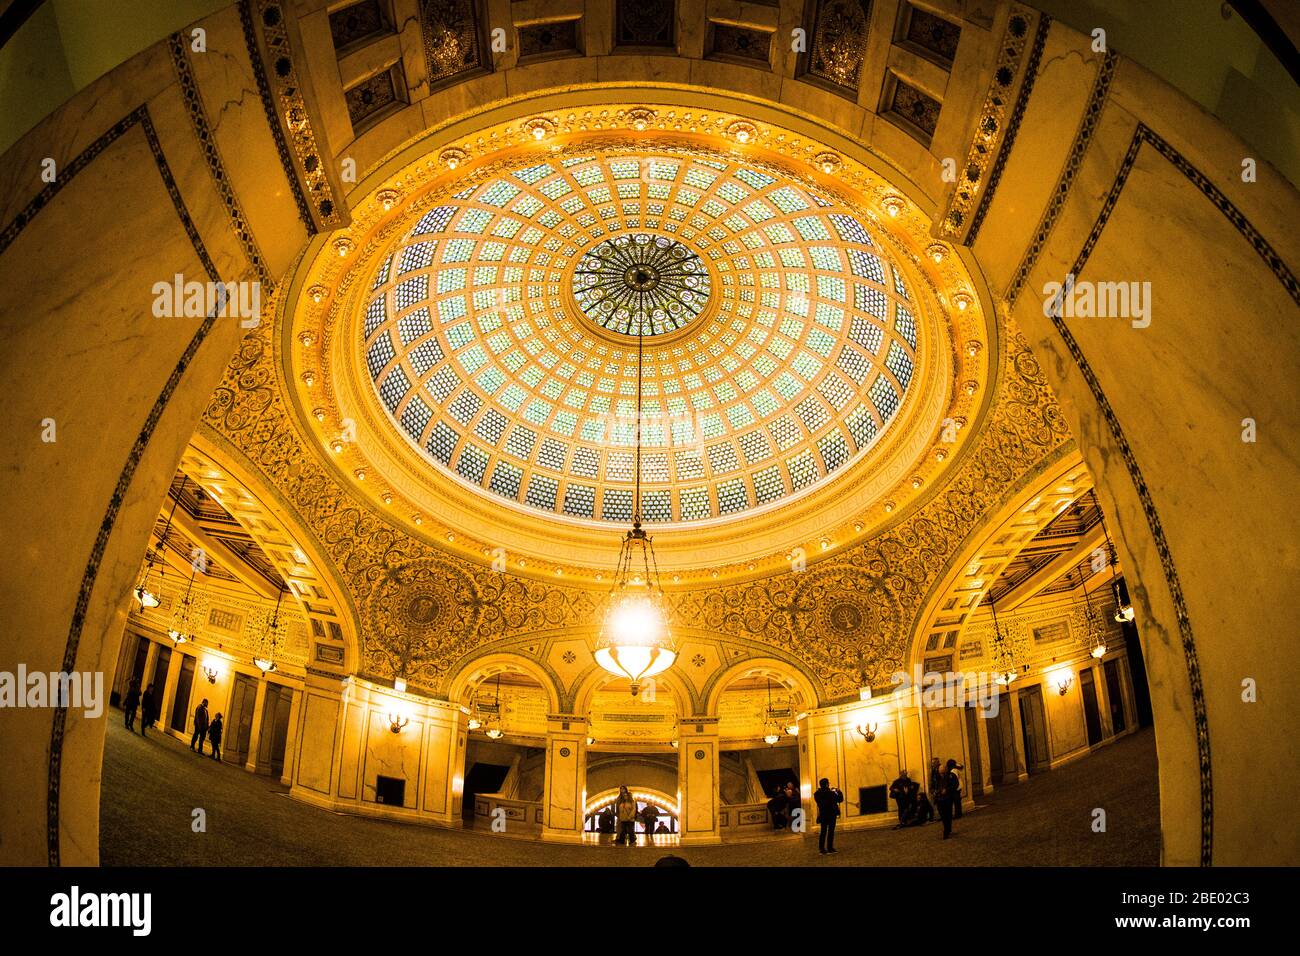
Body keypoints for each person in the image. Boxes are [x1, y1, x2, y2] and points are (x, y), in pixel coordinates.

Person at [813, 778, 843, 854]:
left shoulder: (816, 794)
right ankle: (830, 848)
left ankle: (822, 849)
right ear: (827, 784)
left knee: (823, 832)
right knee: (831, 831)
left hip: (823, 814)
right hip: (831, 814)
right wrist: (838, 791)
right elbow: (840, 799)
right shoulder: (831, 793)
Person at [934, 759, 960, 839]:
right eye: (940, 770)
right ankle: (947, 828)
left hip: (948, 798)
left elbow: (955, 785)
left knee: (947, 814)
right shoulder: (936, 778)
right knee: (942, 815)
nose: (941, 771)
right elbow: (933, 786)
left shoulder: (951, 776)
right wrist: (934, 791)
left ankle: (946, 830)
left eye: (942, 770)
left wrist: (947, 790)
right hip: (939, 799)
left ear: (945, 770)